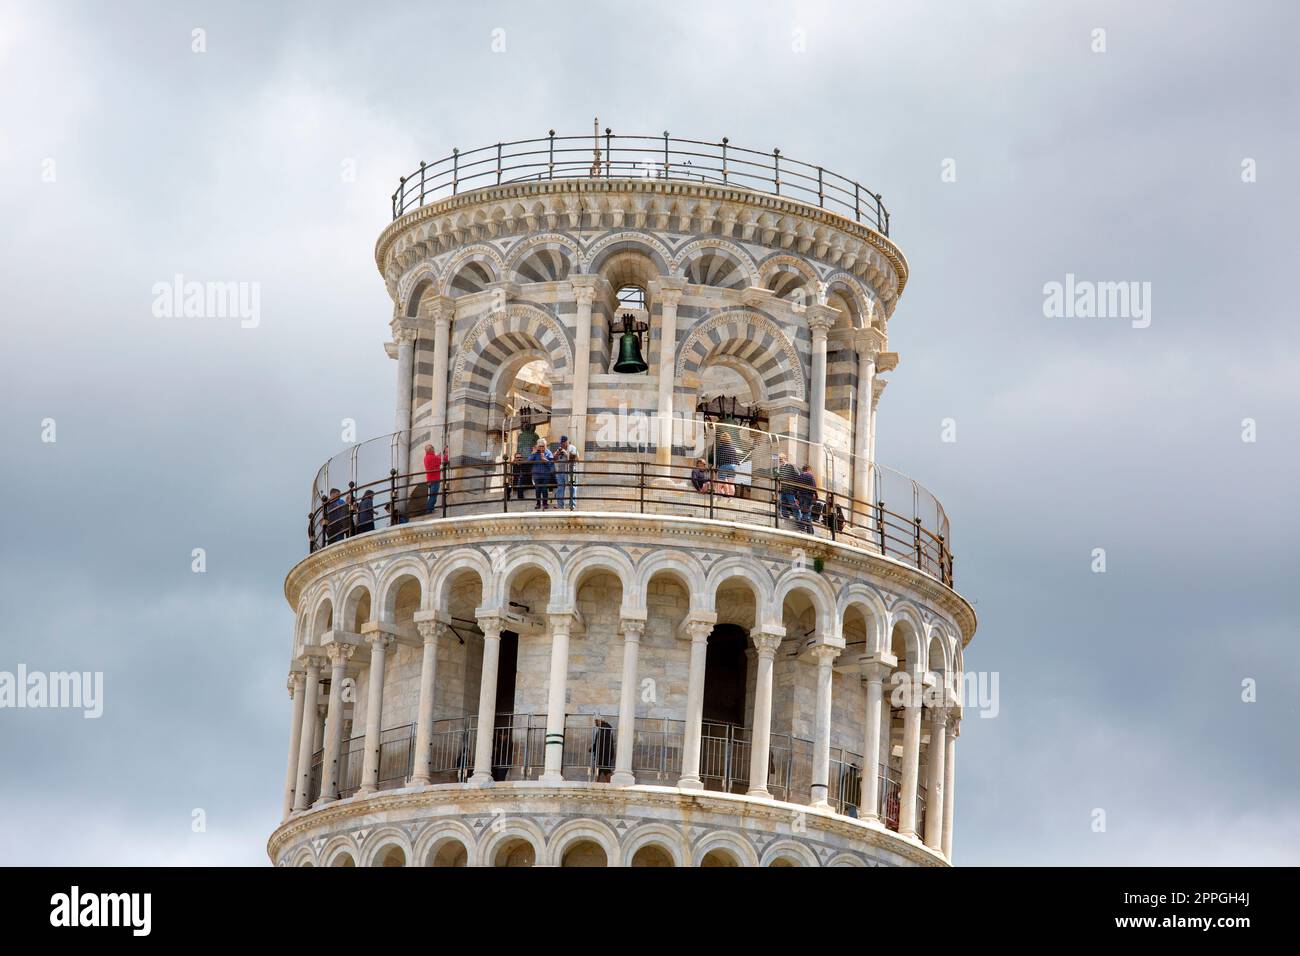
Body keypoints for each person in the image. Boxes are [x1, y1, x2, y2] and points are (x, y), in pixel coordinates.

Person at [554, 435, 578, 510]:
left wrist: (566, 453)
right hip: (560, 471)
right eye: (561, 443)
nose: (562, 444)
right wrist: (556, 454)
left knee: (572, 488)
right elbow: (554, 459)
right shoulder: (559, 449)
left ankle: (572, 506)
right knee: (560, 488)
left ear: (567, 441)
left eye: (563, 442)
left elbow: (576, 458)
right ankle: (560, 505)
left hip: (570, 471)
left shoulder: (572, 448)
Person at [529, 439, 555, 510]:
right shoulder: (535, 453)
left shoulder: (548, 452)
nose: (541, 448)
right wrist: (533, 453)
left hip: (545, 475)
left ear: (545, 446)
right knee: (537, 490)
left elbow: (552, 464)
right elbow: (529, 461)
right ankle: (538, 504)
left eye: (543, 446)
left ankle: (545, 504)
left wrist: (544, 459)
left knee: (544, 489)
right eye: (540, 446)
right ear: (537, 446)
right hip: (536, 475)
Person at [424, 443, 447, 513]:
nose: (434, 449)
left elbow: (437, 458)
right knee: (433, 496)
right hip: (434, 479)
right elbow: (441, 460)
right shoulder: (431, 457)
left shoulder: (427, 457)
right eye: (432, 448)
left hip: (431, 479)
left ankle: (430, 509)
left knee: (432, 495)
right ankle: (429, 510)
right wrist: (446, 454)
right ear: (430, 450)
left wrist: (442, 453)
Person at [776, 454, 799, 522]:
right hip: (783, 489)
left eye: (781, 459)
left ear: (785, 458)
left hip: (790, 489)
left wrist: (794, 486)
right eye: (779, 459)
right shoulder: (780, 468)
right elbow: (779, 478)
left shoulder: (791, 466)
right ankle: (786, 517)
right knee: (782, 504)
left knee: (793, 505)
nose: (780, 460)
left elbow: (797, 475)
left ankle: (798, 519)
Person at [795, 463, 817, 533]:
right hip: (808, 497)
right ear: (808, 470)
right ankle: (801, 528)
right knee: (806, 514)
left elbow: (796, 487)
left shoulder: (799, 477)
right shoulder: (810, 477)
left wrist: (796, 498)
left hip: (801, 497)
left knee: (805, 513)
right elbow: (814, 488)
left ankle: (810, 531)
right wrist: (815, 496)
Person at [591, 718, 615, 782]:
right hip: (604, 753)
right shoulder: (605, 728)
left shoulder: (604, 729)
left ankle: (596, 784)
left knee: (603, 770)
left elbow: (599, 741)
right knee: (602, 770)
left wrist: (593, 748)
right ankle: (596, 784)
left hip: (603, 754)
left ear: (600, 721)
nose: (595, 723)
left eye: (596, 721)